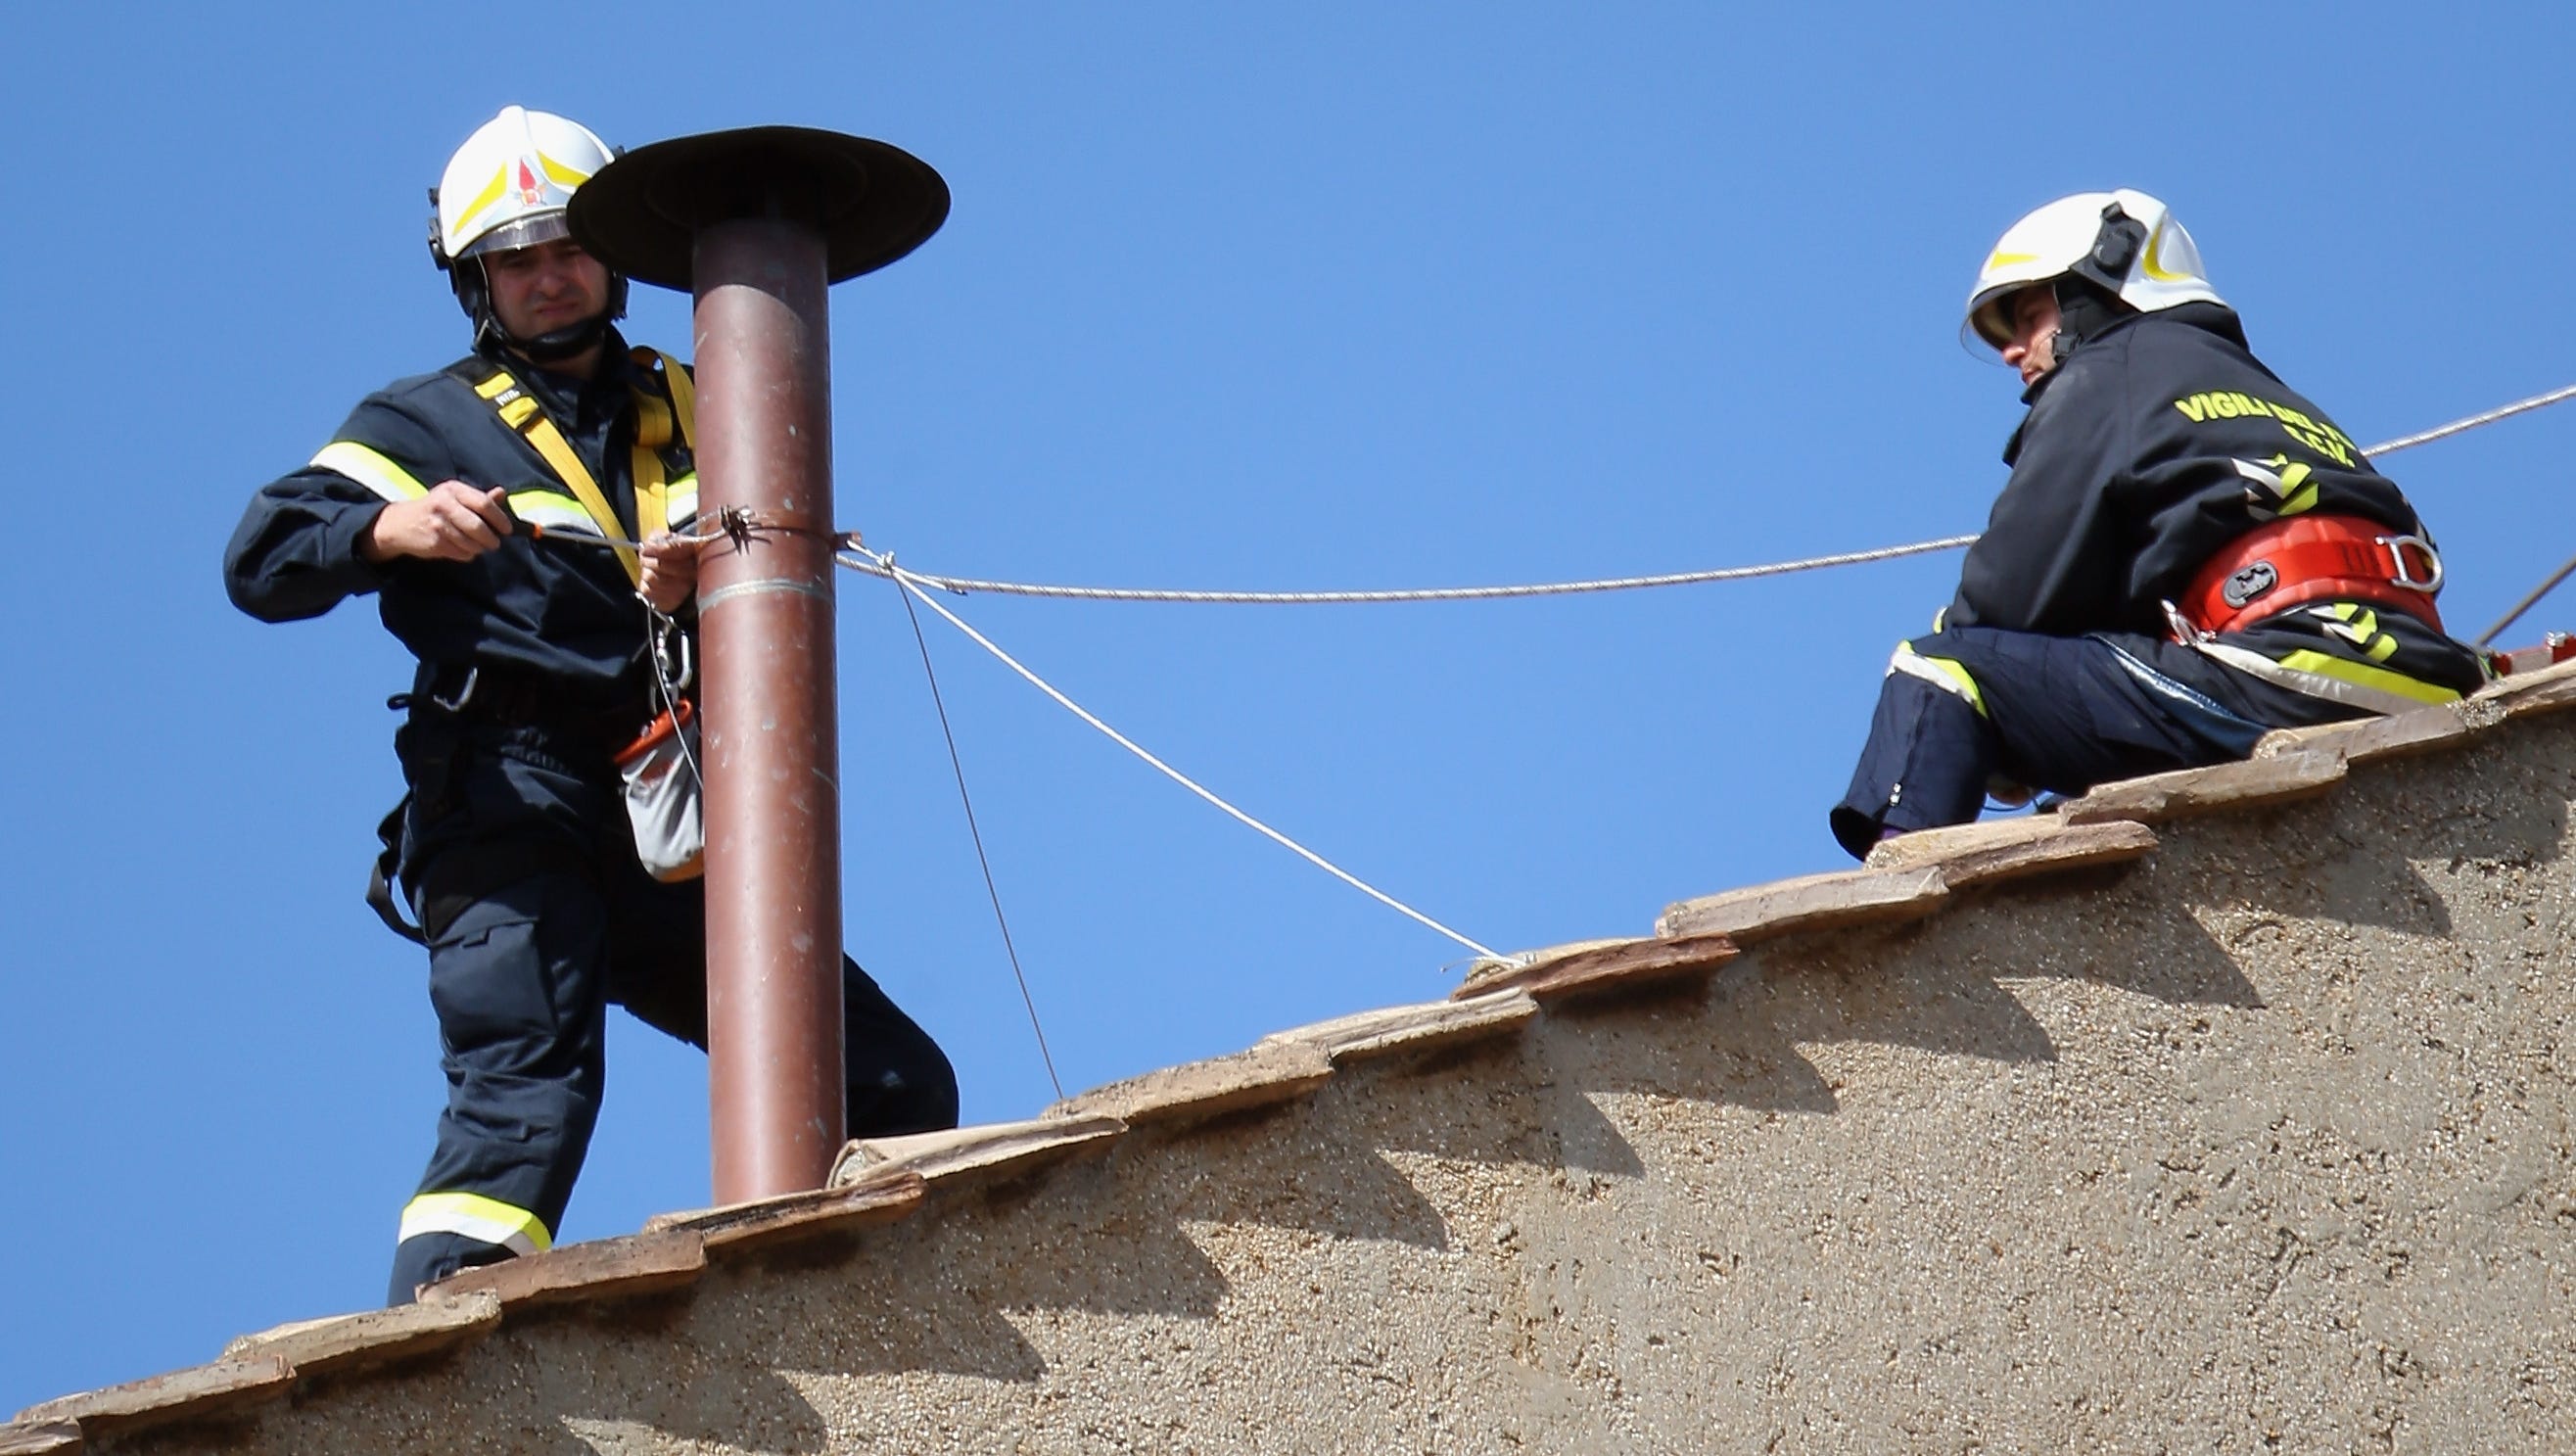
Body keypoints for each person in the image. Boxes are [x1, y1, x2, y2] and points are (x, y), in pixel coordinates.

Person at [224, 107, 958, 1302]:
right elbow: (262, 558)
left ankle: (859, 1310)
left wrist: (690, 587)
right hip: (507, 795)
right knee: (526, 1087)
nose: (549, 278)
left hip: (660, 800)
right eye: (518, 261)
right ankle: (438, 1353)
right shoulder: (424, 420)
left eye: (566, 247)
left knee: (891, 1080)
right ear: (477, 282)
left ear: (612, 255)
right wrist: (389, 525)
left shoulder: (703, 395)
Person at [1831, 190, 2488, 860]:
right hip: (2420, 672)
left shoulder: (2105, 373)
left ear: (2100, 283)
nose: (2012, 352)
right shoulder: (2271, 397)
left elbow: (2006, 601)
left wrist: (1994, 723)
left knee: (1938, 668)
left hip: (2282, 676)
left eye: (2028, 316)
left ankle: (1885, 914)